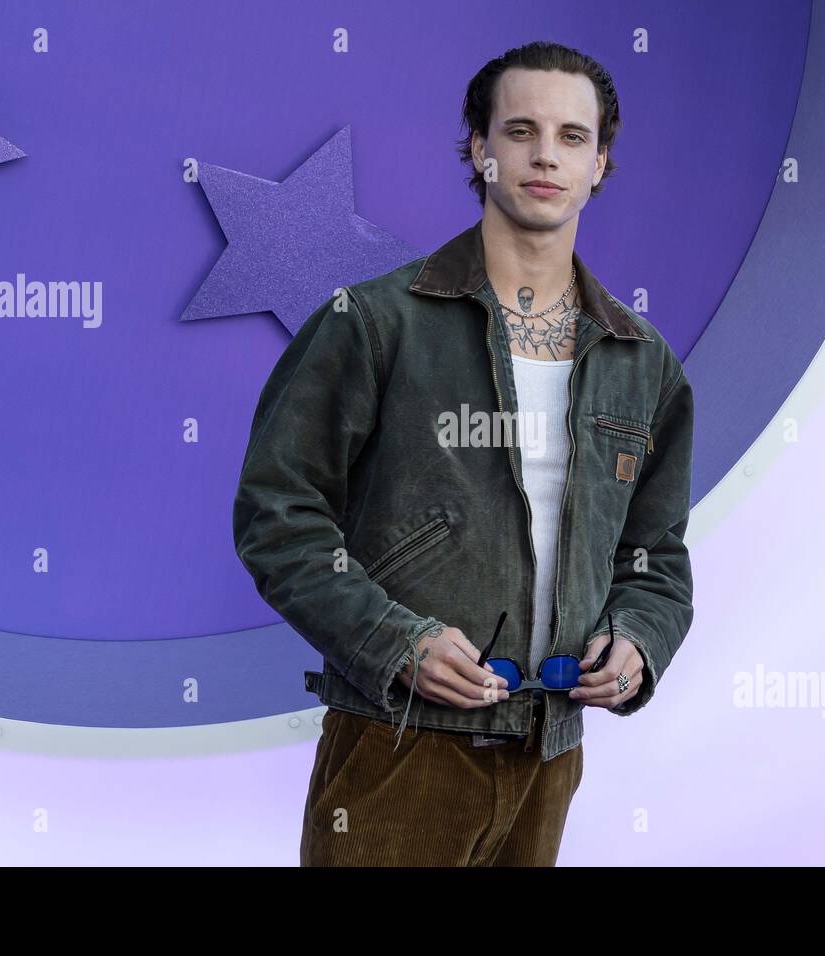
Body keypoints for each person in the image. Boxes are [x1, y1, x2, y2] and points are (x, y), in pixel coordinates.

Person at [233, 40, 695, 867]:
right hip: (398, 746)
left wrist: (636, 640)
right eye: (519, 131)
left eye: (572, 137)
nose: (545, 154)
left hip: (550, 754)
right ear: (480, 151)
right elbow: (278, 516)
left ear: (600, 167)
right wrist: (393, 640)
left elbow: (655, 557)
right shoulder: (375, 324)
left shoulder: (643, 361)